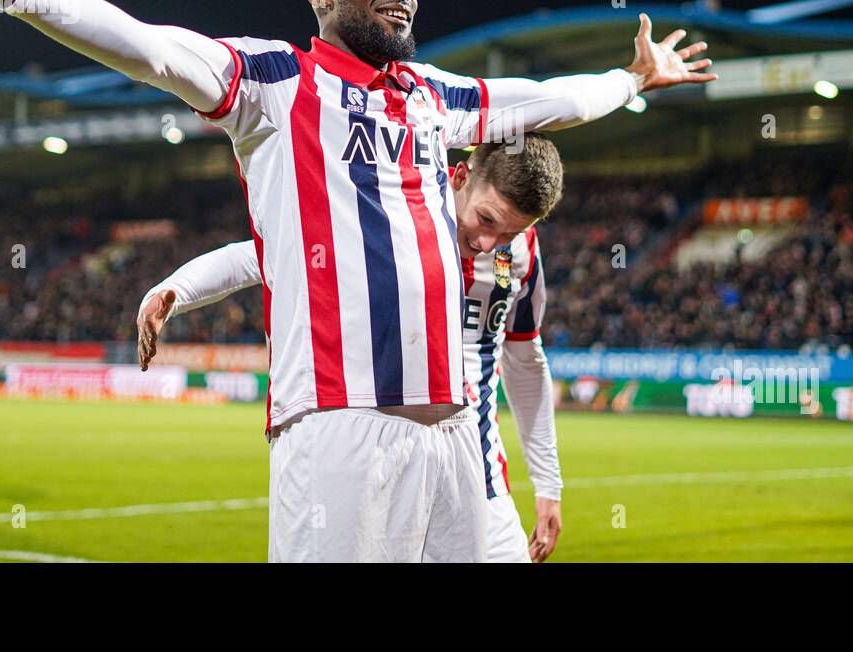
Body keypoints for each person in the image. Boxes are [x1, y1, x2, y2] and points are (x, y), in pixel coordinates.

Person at [0, 0, 716, 559]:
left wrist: (632, 79)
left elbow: (551, 101)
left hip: (456, 434)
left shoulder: (434, 100)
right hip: (342, 428)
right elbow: (142, 42)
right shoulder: (272, 84)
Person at [141, 134, 566, 561]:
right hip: (382, 472)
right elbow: (259, 255)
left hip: (478, 478)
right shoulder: (389, 213)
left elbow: (525, 360)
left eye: (512, 232)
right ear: (457, 178)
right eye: (487, 220)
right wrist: (176, 289)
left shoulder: (524, 253)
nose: (490, 243)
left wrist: (548, 483)